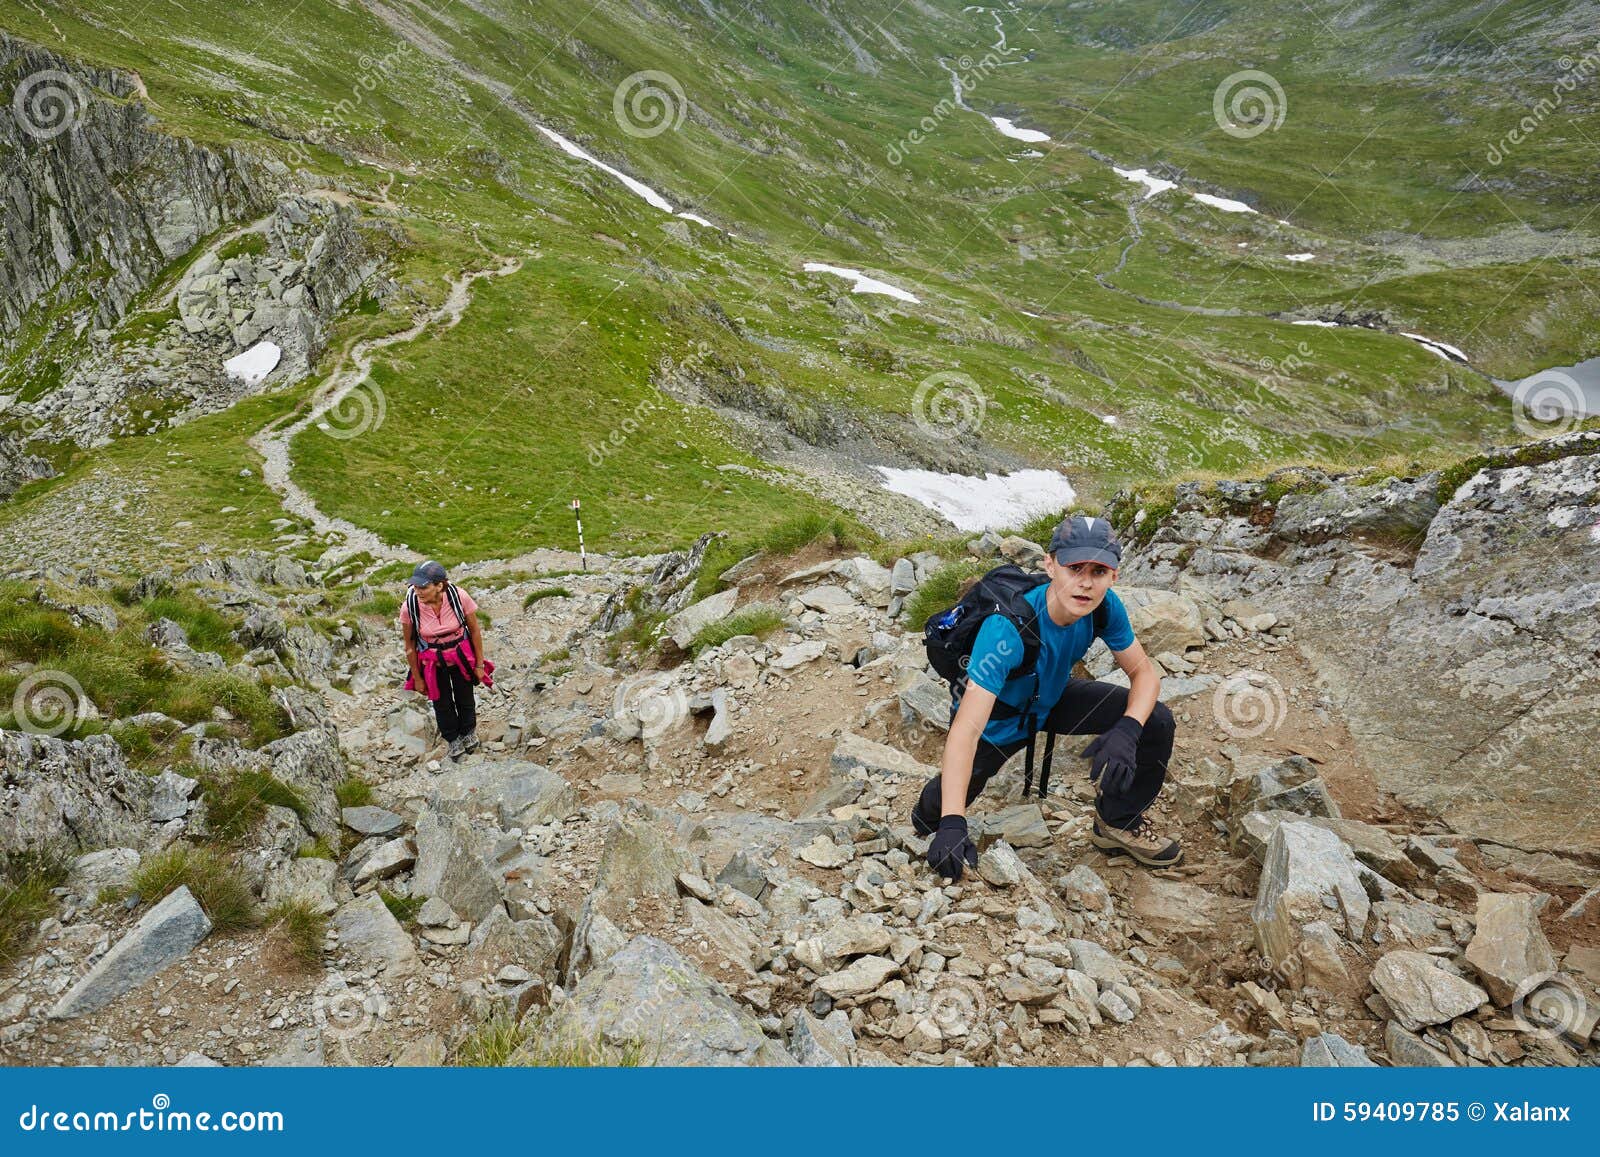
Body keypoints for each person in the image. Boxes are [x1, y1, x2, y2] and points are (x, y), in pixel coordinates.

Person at [912, 515, 1180, 877]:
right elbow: (967, 729)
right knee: (933, 816)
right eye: (1074, 568)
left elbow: (1143, 673)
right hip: (998, 719)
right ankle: (931, 815)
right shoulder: (1006, 628)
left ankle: (1118, 820)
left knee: (1156, 720)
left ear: (1114, 576)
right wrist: (953, 824)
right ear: (1050, 565)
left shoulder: (1104, 607)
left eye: (1099, 571)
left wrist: (1129, 728)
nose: (1086, 583)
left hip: (1051, 698)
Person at [400, 560, 491, 761]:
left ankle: (468, 732)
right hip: (432, 661)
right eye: (415, 586)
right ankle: (452, 739)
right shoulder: (410, 606)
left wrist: (479, 664)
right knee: (441, 702)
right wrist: (417, 678)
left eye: (423, 587)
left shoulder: (459, 597)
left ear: (439, 585)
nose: (418, 591)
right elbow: (410, 644)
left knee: (465, 695)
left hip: (460, 656)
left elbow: (474, 630)